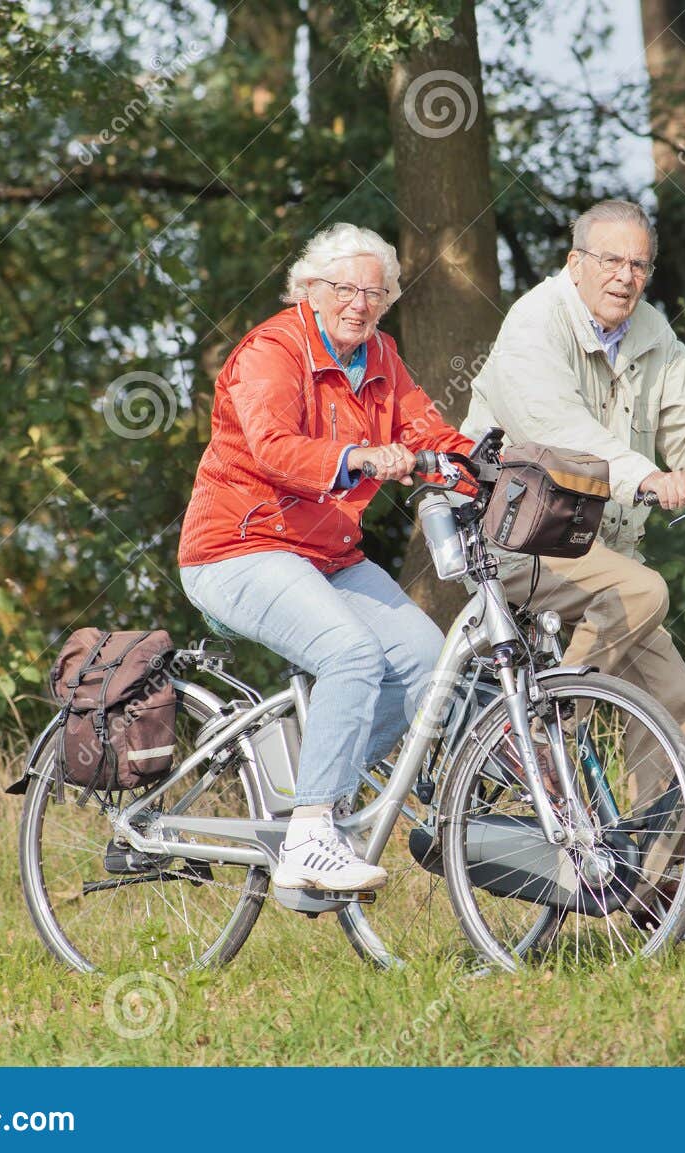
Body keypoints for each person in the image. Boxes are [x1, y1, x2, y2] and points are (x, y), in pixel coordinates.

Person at [462, 200, 685, 936]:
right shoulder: (534, 325)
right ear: (575, 263)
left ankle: (656, 885)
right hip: (513, 535)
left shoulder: (649, 330)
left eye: (639, 263)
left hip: (594, 550)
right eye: (610, 260)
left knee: (675, 698)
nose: (627, 276)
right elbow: (556, 430)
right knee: (645, 588)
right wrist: (645, 475)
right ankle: (543, 733)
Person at [178, 223, 472, 893]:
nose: (360, 303)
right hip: (238, 548)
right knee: (351, 654)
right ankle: (312, 833)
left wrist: (492, 467)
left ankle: (312, 804)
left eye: (376, 292)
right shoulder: (271, 351)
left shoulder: (382, 357)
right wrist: (356, 457)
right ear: (309, 288)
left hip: (327, 554)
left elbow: (429, 432)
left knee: (427, 664)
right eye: (344, 287)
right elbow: (275, 446)